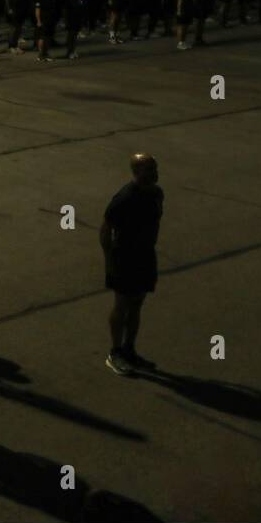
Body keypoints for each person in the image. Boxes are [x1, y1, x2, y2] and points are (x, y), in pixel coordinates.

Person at [101, 153, 164, 375]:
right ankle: (115, 352)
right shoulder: (125, 198)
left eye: (155, 168)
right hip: (124, 257)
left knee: (137, 303)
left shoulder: (157, 194)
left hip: (145, 256)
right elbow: (106, 230)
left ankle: (129, 349)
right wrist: (109, 260)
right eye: (149, 169)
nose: (154, 173)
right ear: (136, 172)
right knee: (122, 304)